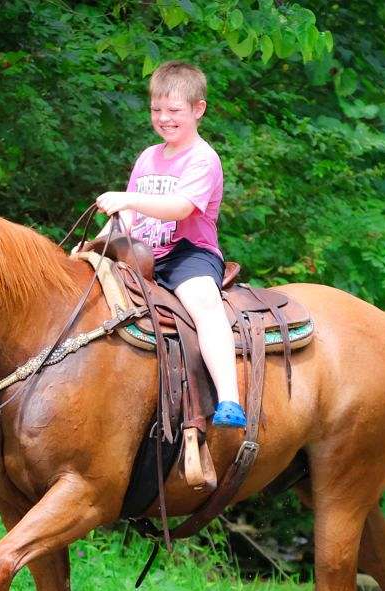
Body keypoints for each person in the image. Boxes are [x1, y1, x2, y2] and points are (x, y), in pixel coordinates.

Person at [95, 61, 245, 428]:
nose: (164, 118)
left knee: (203, 302)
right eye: (156, 110)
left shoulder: (203, 159)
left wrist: (127, 200)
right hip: (141, 254)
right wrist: (98, 244)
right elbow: (127, 218)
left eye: (174, 110)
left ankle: (229, 398)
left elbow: (181, 207)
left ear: (198, 109)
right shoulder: (148, 157)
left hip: (188, 254)